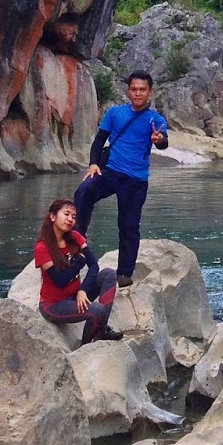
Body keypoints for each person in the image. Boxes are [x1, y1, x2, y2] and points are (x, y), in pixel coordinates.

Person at [75, 70, 169, 287]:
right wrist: (93, 163)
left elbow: (163, 142)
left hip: (136, 180)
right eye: (134, 89)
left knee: (128, 225)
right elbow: (99, 140)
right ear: (128, 91)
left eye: (142, 90)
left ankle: (125, 274)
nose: (138, 93)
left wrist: (159, 140)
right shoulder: (115, 113)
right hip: (111, 171)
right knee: (84, 191)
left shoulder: (156, 120)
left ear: (150, 92)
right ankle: (77, 241)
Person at [34, 198, 124, 344]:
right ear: (53, 216)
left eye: (73, 217)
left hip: (75, 295)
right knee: (97, 309)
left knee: (108, 274)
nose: (70, 219)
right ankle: (85, 347)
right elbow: (60, 280)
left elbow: (94, 266)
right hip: (54, 305)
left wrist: (83, 290)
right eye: (66, 214)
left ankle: (101, 331)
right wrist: (79, 262)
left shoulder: (75, 237)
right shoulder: (42, 248)